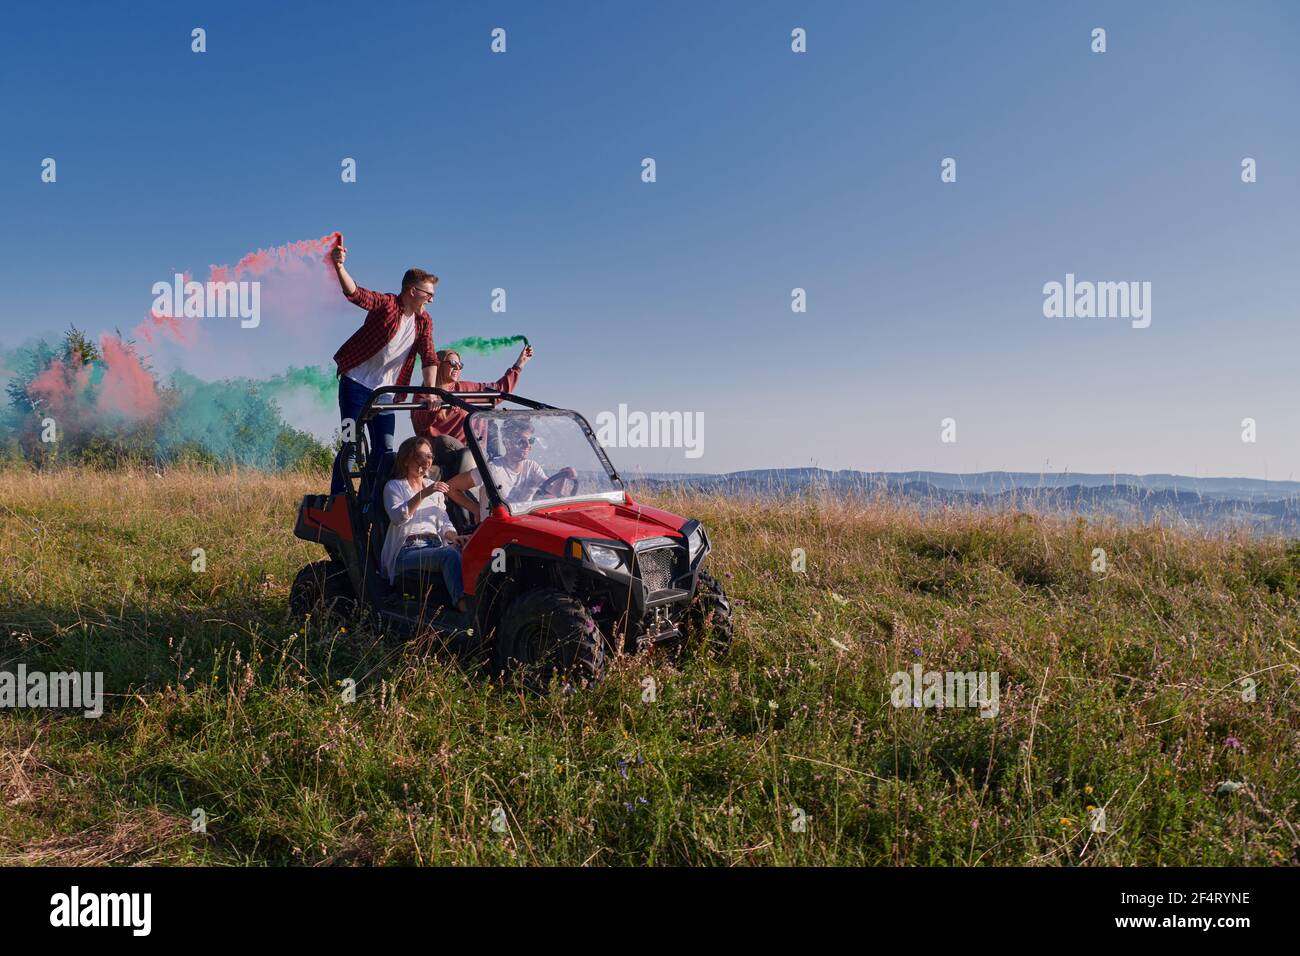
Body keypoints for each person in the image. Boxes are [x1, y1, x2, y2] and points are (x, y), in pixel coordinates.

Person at [328, 237, 439, 494]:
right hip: (354, 384)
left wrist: (431, 392)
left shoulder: (424, 322)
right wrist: (340, 267)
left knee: (385, 450)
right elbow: (357, 295)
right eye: (429, 295)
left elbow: (429, 355)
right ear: (413, 291)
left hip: (385, 393)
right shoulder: (388, 305)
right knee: (351, 446)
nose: (431, 300)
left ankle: (370, 501)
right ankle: (339, 501)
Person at [411, 343, 534, 485]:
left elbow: (498, 391)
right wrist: (432, 410)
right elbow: (419, 425)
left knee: (466, 454)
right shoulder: (425, 393)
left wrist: (519, 364)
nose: (457, 367)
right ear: (438, 365)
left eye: (460, 364)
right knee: (443, 441)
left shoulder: (465, 389)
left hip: (468, 452)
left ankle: (453, 488)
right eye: (452, 363)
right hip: (439, 454)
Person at [381, 436, 467, 612]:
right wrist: (424, 493)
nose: (426, 461)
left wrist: (454, 536)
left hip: (435, 545)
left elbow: (443, 522)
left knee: (471, 549)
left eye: (429, 456)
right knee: (449, 556)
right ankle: (464, 607)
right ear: (406, 460)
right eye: (420, 456)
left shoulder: (433, 487)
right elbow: (398, 517)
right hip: (407, 551)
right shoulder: (394, 487)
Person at [447, 419, 576, 521]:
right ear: (507, 442)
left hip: (523, 524)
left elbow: (554, 492)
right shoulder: (493, 469)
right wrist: (475, 509)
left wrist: (563, 476)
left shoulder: (532, 467)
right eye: (522, 441)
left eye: (530, 440)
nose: (527, 446)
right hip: (496, 526)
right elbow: (451, 487)